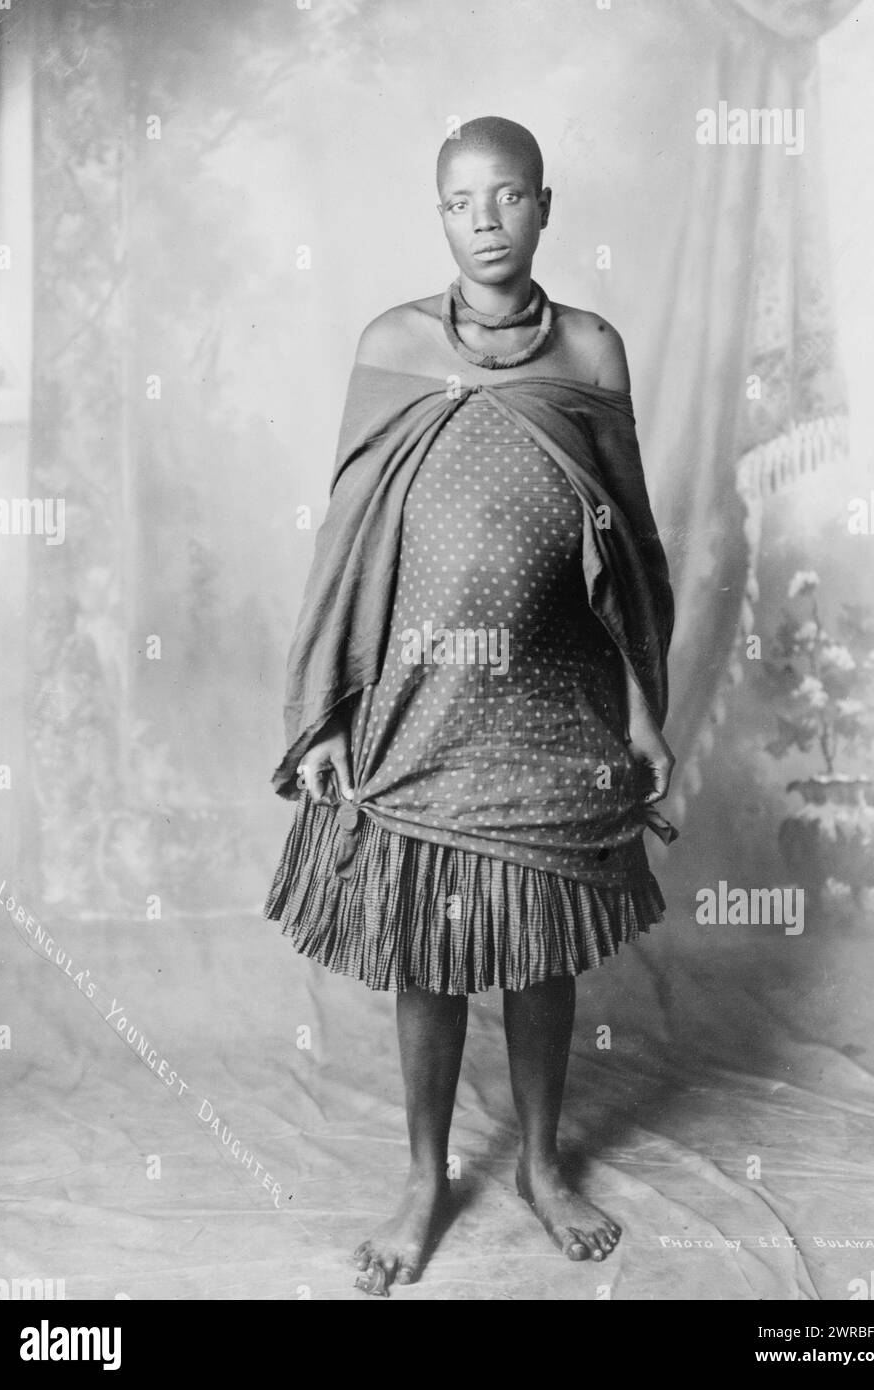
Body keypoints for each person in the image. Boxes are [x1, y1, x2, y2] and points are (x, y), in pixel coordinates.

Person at [264, 116, 676, 1295]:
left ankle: (543, 1164)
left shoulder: (592, 350)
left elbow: (633, 548)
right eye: (459, 202)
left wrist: (645, 709)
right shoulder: (392, 341)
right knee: (429, 952)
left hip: (556, 696)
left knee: (539, 944)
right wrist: (333, 709)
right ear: (437, 214)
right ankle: (423, 1174)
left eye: (506, 198)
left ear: (545, 204)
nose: (484, 222)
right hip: (420, 697)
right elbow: (349, 544)